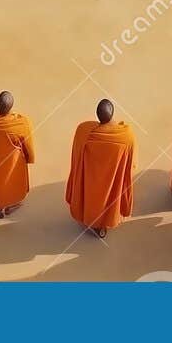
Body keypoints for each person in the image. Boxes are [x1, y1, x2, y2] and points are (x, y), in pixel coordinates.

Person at [65, 99, 136, 239]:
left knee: (90, 195)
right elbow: (131, 165)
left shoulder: (83, 131)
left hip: (88, 179)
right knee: (109, 195)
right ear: (112, 115)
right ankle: (103, 222)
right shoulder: (126, 136)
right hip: (112, 180)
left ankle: (87, 216)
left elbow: (75, 158)